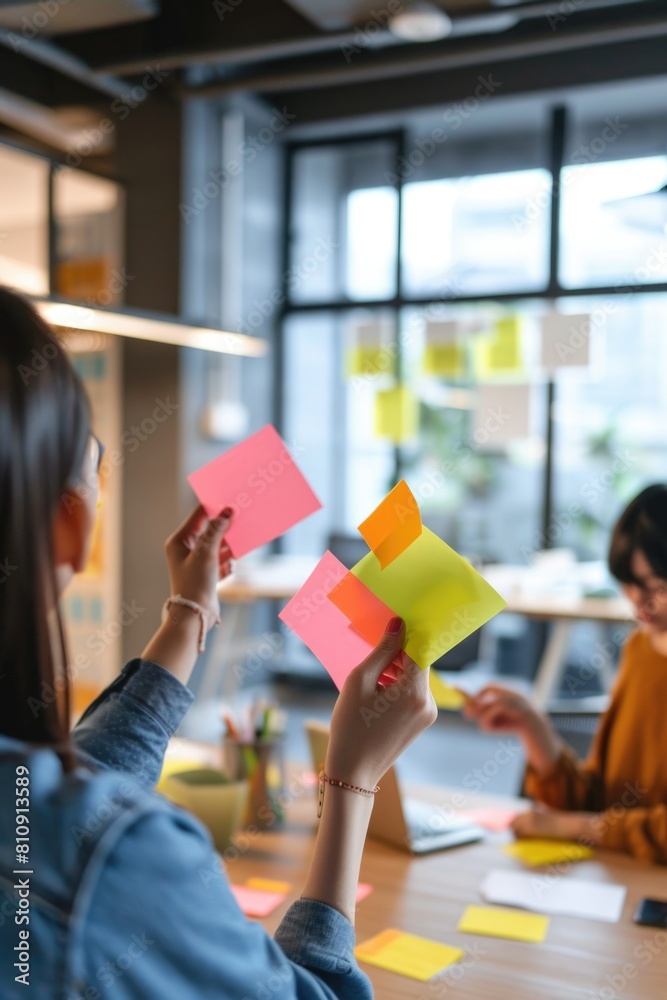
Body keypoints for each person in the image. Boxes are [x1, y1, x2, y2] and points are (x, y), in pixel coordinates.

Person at [0, 286, 437, 999]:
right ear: (70, 526)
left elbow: (57, 805)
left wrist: (189, 613)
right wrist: (351, 779)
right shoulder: (116, 863)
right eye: (96, 467)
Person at [464, 485, 667, 864]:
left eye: (655, 585)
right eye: (628, 583)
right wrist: (532, 726)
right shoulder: (640, 649)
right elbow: (597, 800)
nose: (638, 601)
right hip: (616, 878)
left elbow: (591, 819)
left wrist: (575, 828)